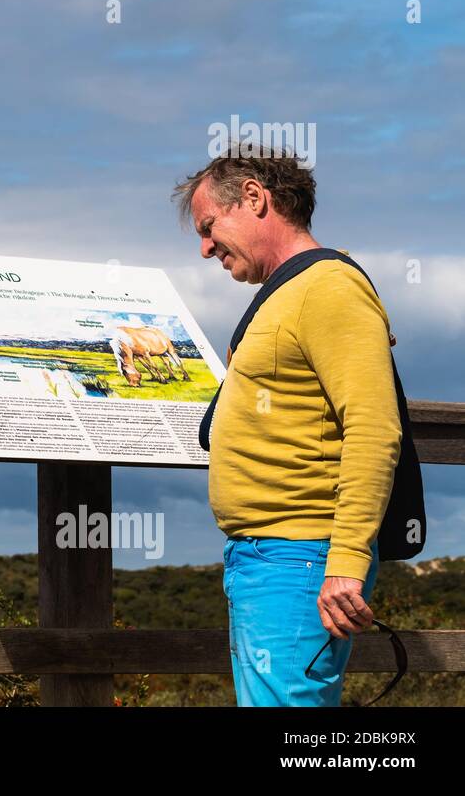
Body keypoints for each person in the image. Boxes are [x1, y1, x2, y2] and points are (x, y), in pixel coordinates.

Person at [171, 145, 400, 706]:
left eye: (208, 227)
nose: (205, 249)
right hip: (273, 557)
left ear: (254, 197)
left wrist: (345, 563)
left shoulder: (328, 288)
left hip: (299, 555)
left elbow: (373, 427)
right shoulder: (291, 293)